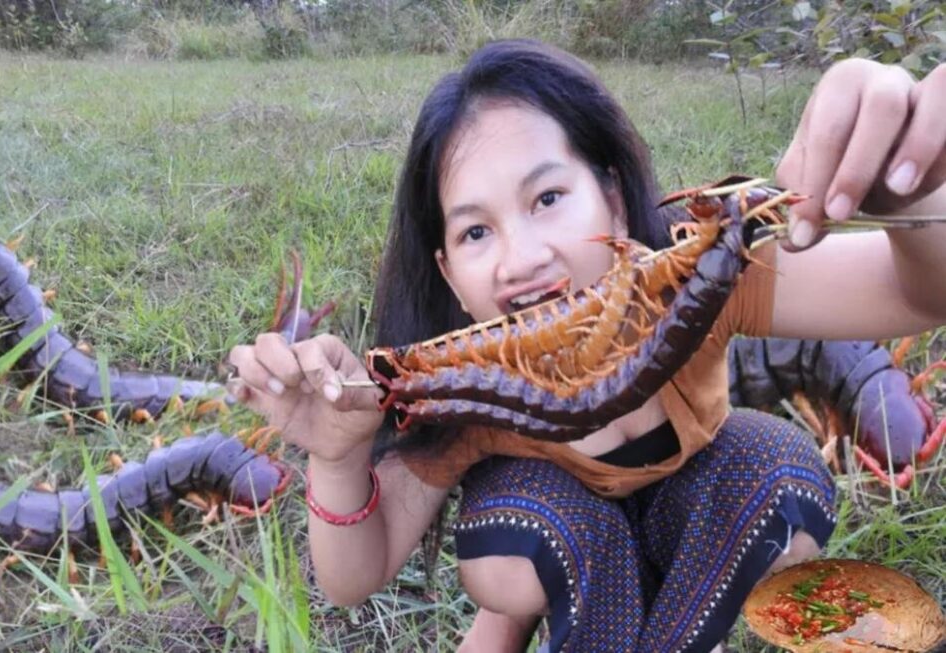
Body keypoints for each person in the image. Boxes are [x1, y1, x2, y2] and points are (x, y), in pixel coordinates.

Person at [227, 40, 946, 652]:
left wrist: (907, 188)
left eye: (546, 198)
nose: (521, 258)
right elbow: (356, 575)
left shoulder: (696, 273)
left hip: (683, 502)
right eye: (476, 231)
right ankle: (511, 610)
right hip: (558, 527)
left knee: (775, 473)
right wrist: (339, 453)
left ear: (611, 194)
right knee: (521, 544)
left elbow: (919, 293)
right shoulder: (462, 385)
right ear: (448, 270)